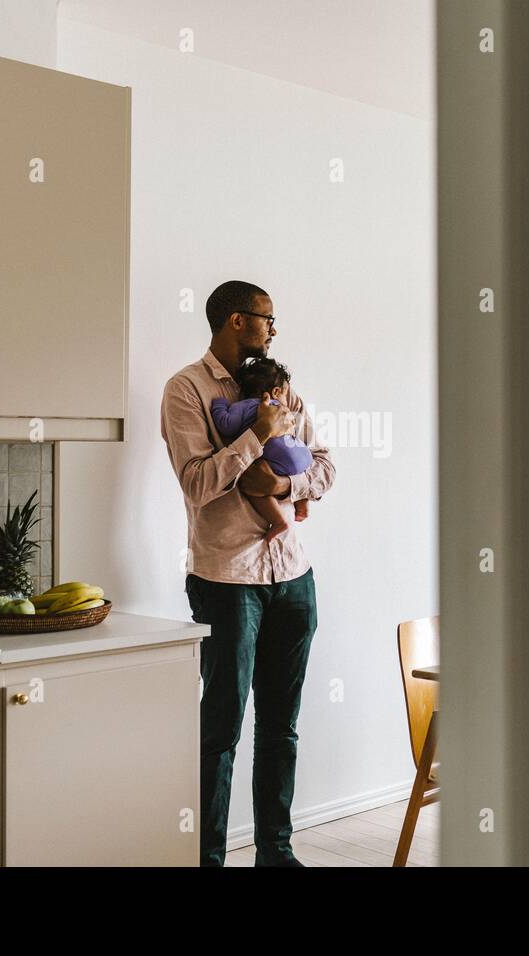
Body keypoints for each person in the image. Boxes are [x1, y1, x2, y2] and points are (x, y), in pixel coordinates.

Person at [160, 279, 336, 867]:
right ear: (235, 321)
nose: (273, 329)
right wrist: (257, 435)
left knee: (281, 727)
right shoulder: (185, 390)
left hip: (293, 579)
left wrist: (286, 484)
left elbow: (326, 466)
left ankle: (275, 854)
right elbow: (196, 484)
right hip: (226, 582)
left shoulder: (282, 386)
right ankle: (207, 858)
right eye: (266, 318)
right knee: (221, 733)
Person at [210, 356, 314, 543]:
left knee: (253, 482)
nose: (286, 399)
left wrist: (220, 405)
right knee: (294, 470)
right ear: (276, 391)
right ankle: (302, 501)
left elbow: (225, 425)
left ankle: (278, 521)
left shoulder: (244, 406)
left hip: (277, 459)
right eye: (285, 393)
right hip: (303, 456)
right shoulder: (283, 410)